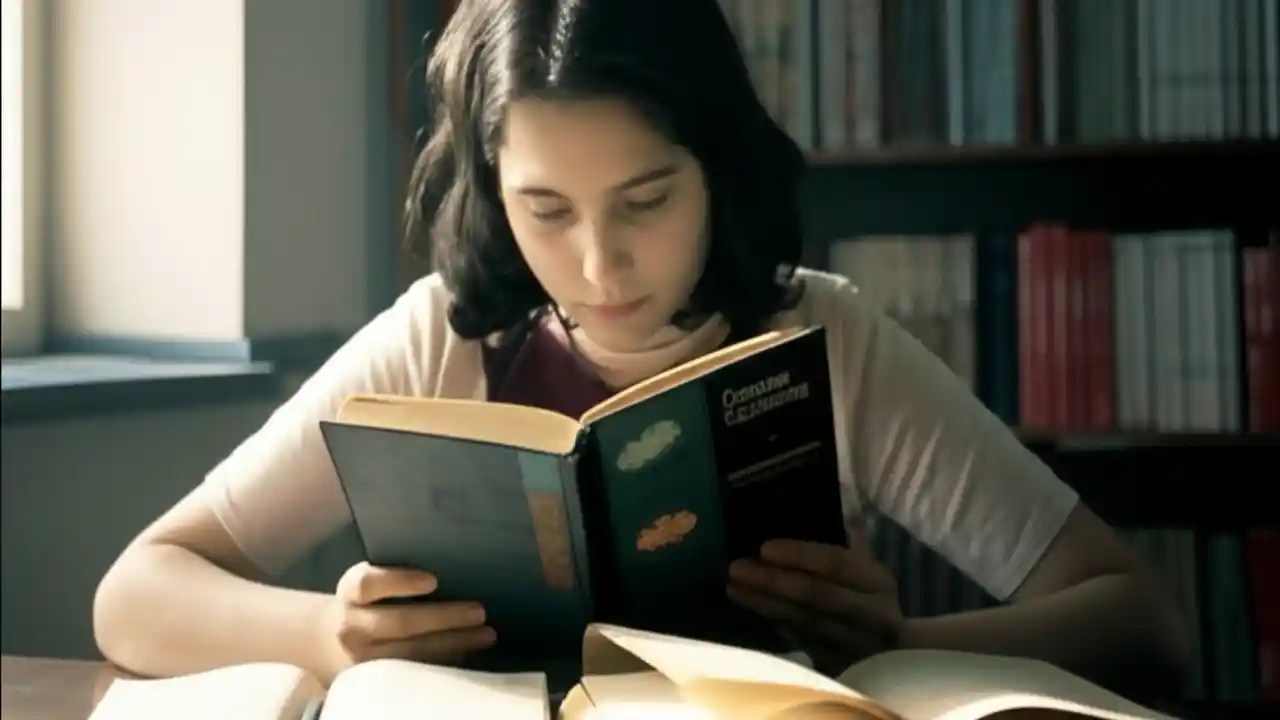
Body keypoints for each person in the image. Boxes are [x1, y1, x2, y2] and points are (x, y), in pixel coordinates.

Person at [92, 0, 1191, 698]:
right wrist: (335, 633)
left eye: (645, 200)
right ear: (491, 193)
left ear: (714, 166)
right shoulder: (444, 334)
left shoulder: (826, 341)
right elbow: (135, 595)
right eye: (545, 210)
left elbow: (1139, 625)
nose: (600, 268)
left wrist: (897, 641)